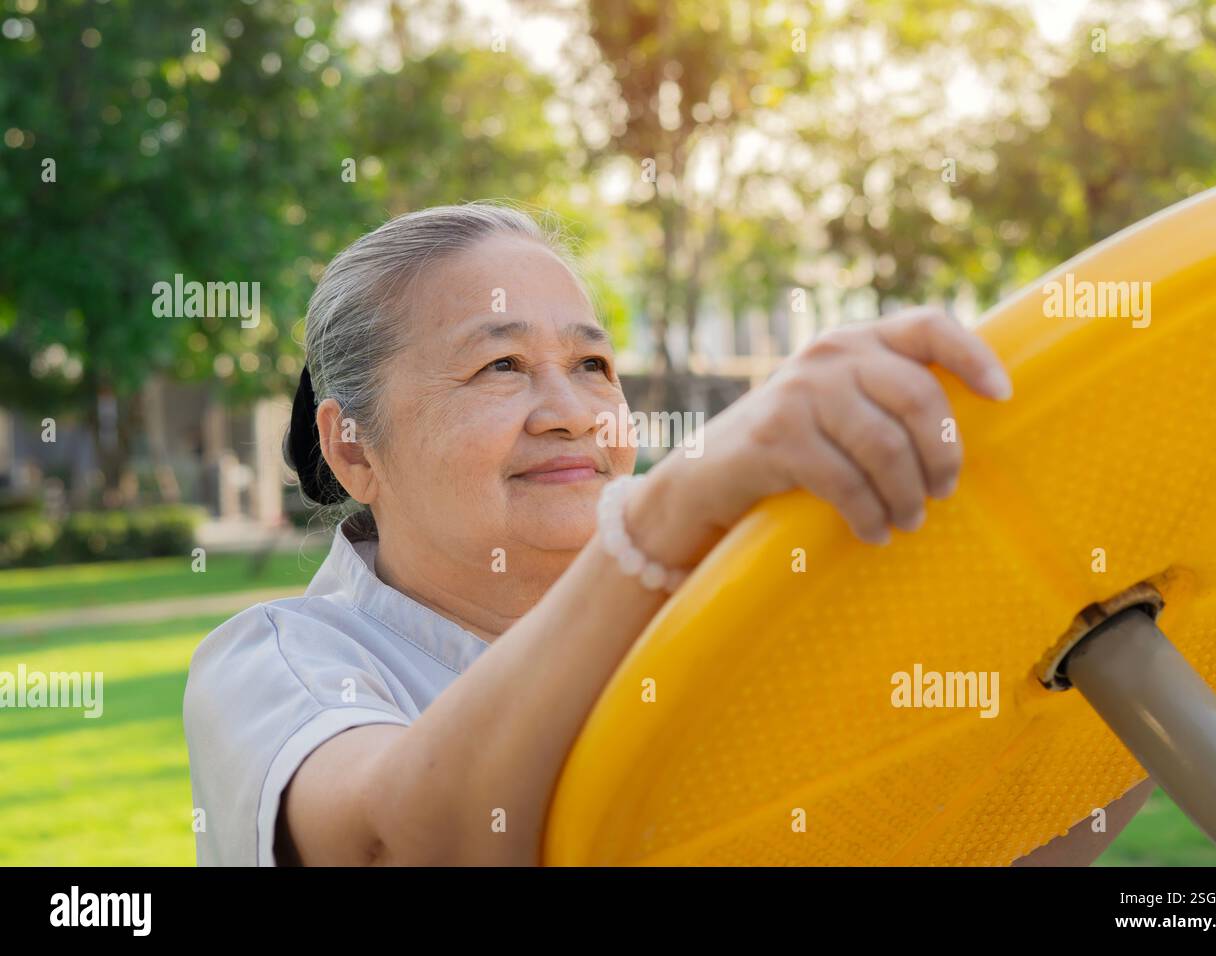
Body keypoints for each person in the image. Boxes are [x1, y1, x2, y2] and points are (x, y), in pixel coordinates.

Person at [182, 201, 1152, 866]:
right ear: (352, 449)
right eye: (501, 366)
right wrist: (670, 514)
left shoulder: (719, 633)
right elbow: (399, 843)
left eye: (594, 364)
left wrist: (1144, 656)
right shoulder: (281, 664)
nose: (571, 411)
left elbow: (967, 842)